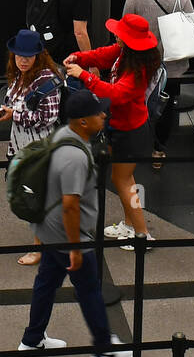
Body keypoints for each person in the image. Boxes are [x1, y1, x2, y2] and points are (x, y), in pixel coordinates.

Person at [16, 89, 131, 357]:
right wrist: (76, 248)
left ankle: (32, 340)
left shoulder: (62, 136)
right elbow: (70, 204)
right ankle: (104, 347)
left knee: (46, 283)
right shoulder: (75, 157)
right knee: (89, 288)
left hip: (49, 229)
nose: (103, 115)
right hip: (68, 235)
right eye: (97, 113)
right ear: (82, 121)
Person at [64, 15, 159, 246]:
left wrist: (83, 74)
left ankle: (142, 234)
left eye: (120, 34)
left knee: (125, 182)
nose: (116, 36)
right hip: (122, 127)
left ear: (128, 40)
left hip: (130, 132)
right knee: (121, 179)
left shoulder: (138, 71)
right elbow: (101, 55)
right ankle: (129, 226)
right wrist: (80, 57)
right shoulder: (127, 54)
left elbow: (114, 93)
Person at [124, 0, 194, 169]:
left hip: (143, 62)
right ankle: (158, 150)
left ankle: (137, 144)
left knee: (139, 102)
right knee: (167, 105)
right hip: (172, 63)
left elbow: (125, 26)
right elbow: (190, 21)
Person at [0, 29, 62, 266]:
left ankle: (39, 249)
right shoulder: (19, 75)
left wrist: (15, 114)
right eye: (18, 55)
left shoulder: (47, 81)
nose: (22, 59)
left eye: (28, 55)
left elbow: (48, 117)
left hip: (39, 150)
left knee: (36, 198)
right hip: (20, 146)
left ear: (38, 55)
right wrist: (8, 111)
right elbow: (12, 100)